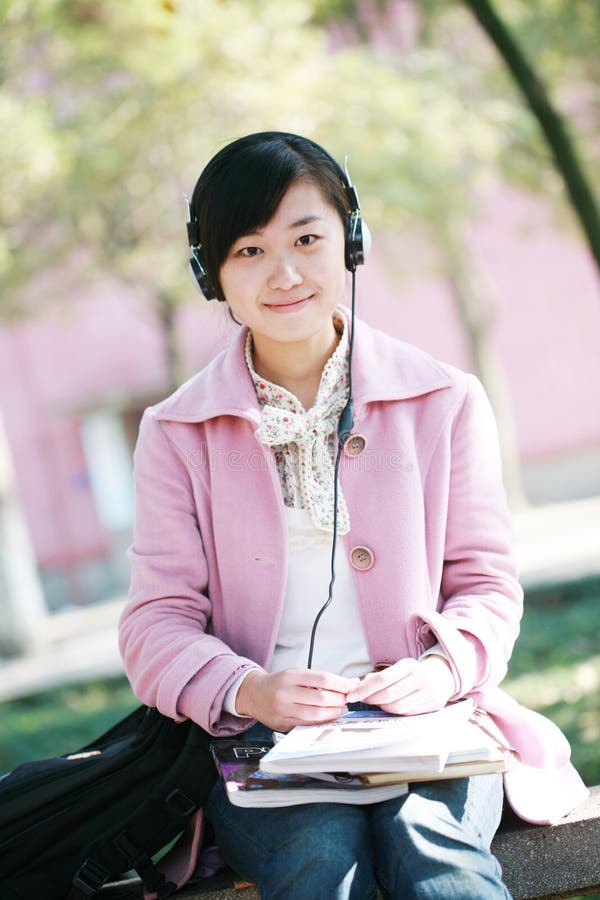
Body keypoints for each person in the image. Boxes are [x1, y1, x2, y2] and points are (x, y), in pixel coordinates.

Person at [119, 131, 588, 900]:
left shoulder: (444, 397)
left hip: (429, 725)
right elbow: (154, 625)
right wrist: (249, 690)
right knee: (316, 863)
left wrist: (442, 670)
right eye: (249, 251)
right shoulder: (176, 432)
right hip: (265, 744)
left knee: (432, 851)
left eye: (308, 238)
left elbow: (487, 586)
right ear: (211, 275)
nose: (286, 273)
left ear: (352, 241)